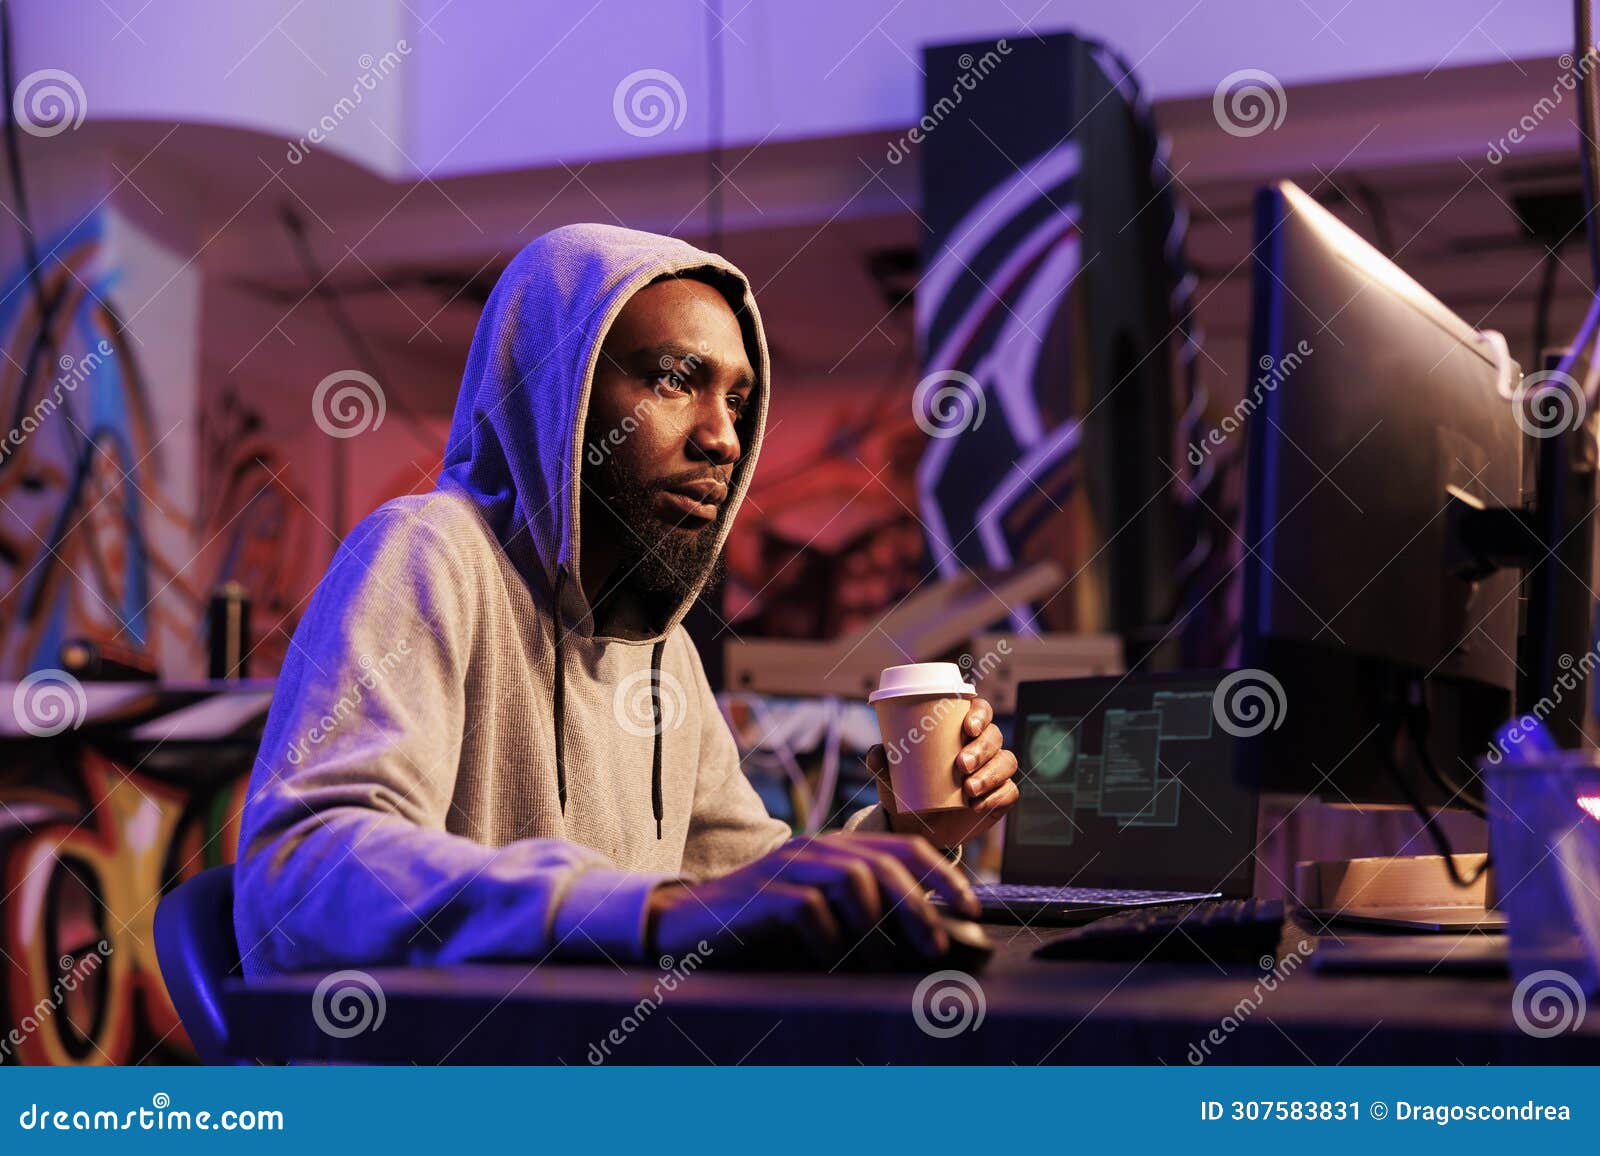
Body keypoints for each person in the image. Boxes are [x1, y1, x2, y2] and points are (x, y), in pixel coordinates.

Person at [234, 224, 1020, 976]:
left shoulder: (660, 646)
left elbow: (748, 886)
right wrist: (644, 910)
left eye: (739, 402)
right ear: (560, 392)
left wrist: (906, 837)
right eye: (674, 381)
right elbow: (302, 872)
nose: (724, 439)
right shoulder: (428, 554)